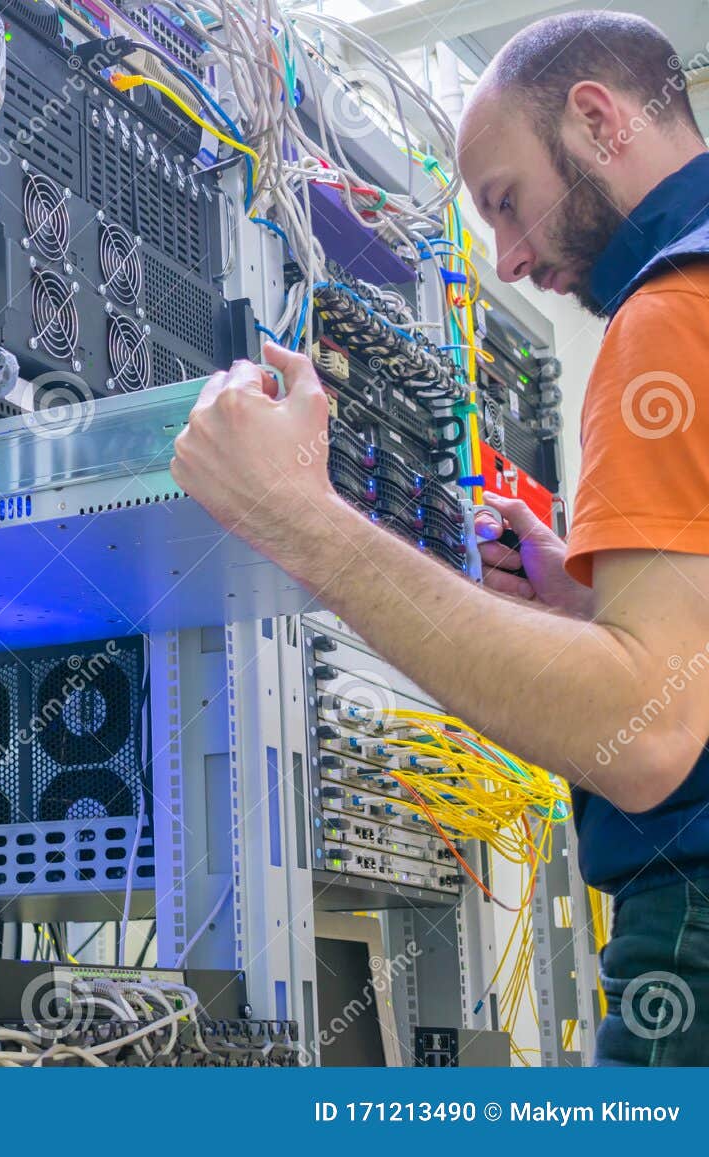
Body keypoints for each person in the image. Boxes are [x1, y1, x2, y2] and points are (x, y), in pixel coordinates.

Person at [169, 11, 709, 1065]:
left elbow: (646, 737)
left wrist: (300, 518)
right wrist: (592, 609)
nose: (506, 256)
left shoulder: (671, 314)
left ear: (598, 121)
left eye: (506, 202)